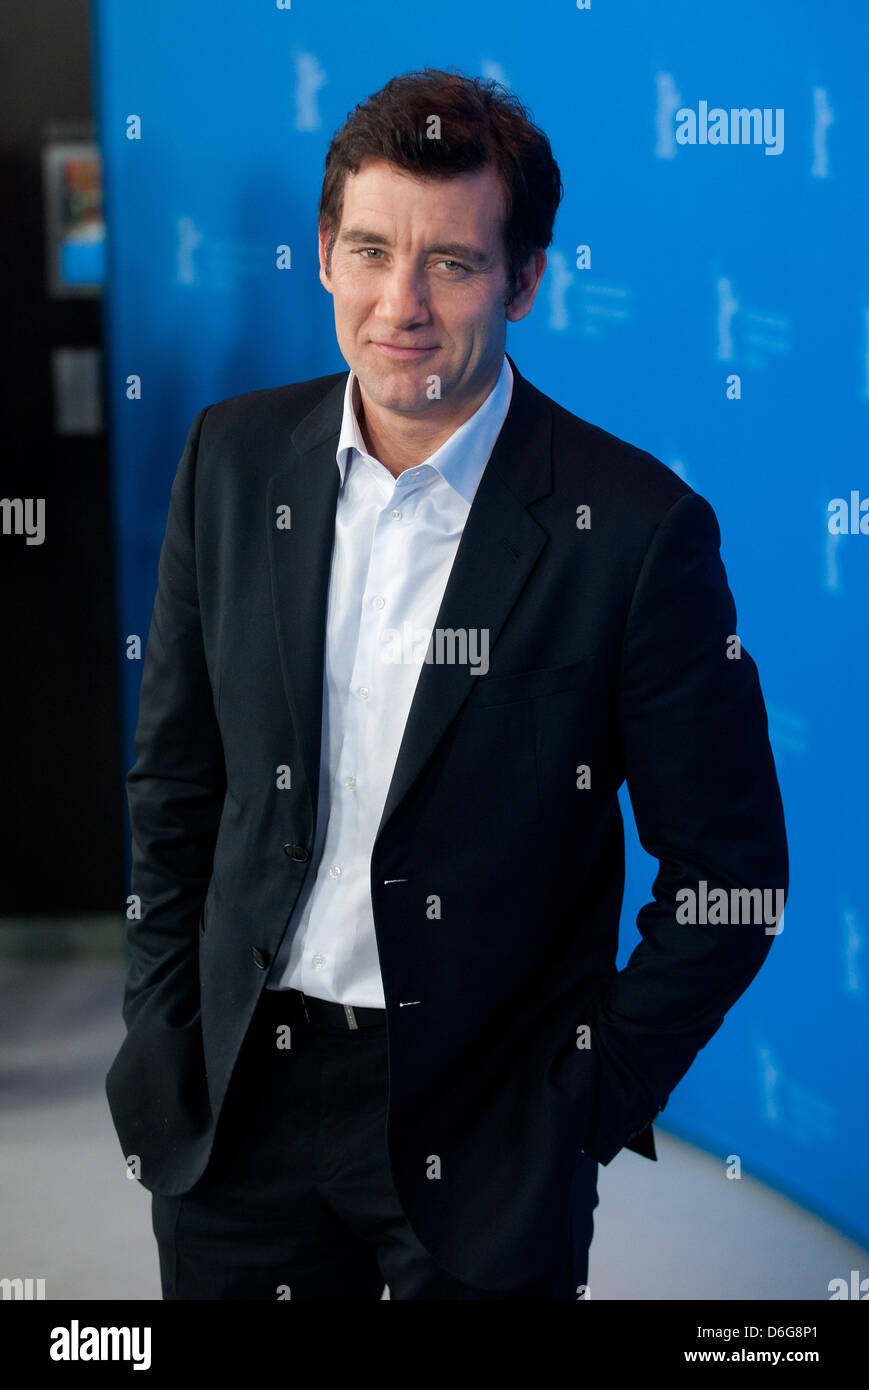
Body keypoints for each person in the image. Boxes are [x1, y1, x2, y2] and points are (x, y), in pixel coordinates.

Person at [106, 67, 788, 1301]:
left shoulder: (634, 531)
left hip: (484, 1134)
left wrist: (581, 1098)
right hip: (235, 1110)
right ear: (321, 253)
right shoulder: (230, 454)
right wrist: (162, 1024)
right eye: (368, 250)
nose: (398, 305)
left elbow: (731, 876)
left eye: (453, 264)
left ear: (524, 280)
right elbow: (177, 778)